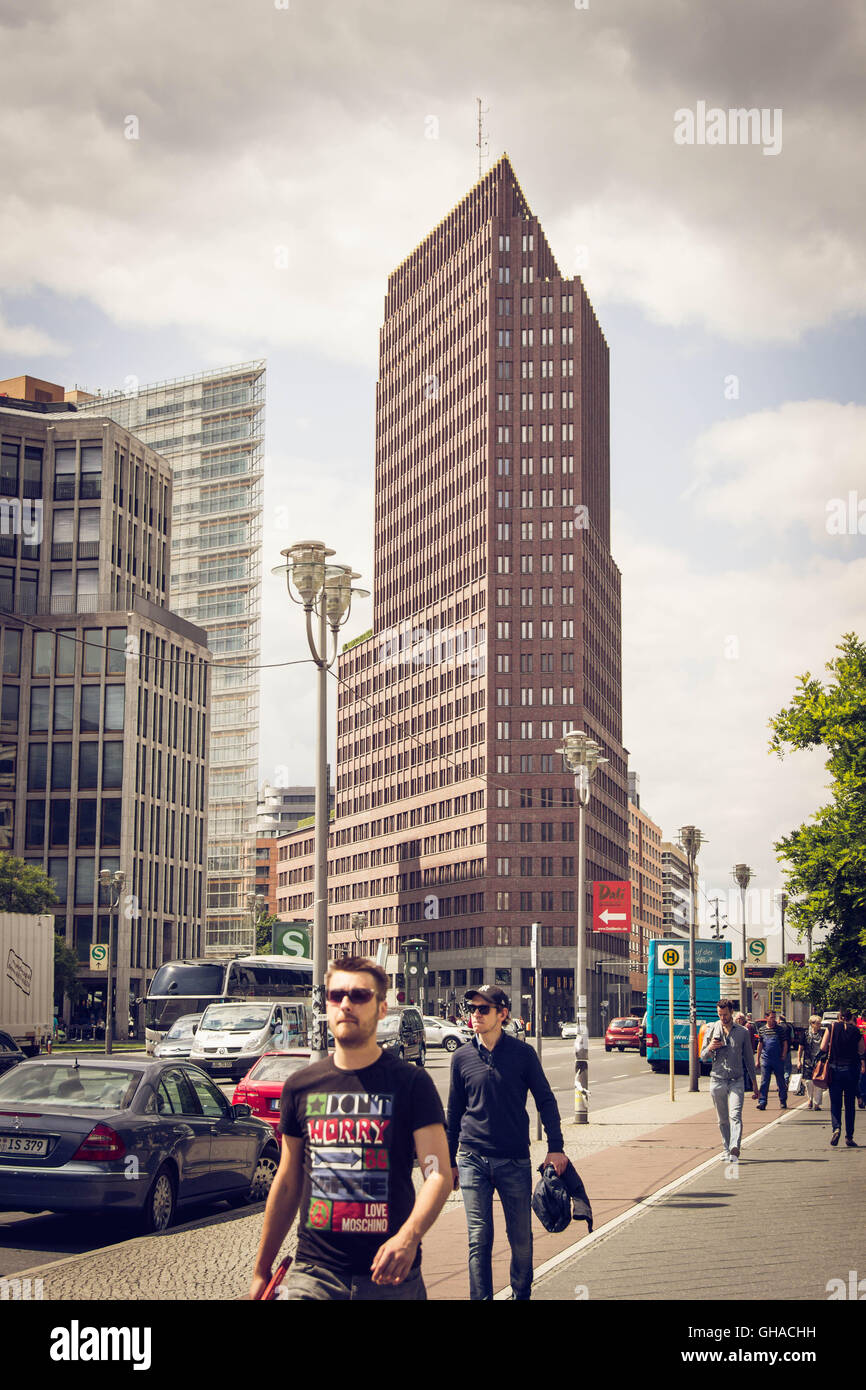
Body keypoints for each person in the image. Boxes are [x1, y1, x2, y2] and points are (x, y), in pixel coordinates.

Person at [248, 956, 451, 1300]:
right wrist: (260, 1270)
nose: (345, 1004)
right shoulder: (300, 1086)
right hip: (314, 1274)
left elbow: (438, 1174)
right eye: (336, 995)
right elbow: (287, 1181)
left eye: (359, 995)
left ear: (382, 1008)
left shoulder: (412, 1083)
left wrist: (409, 1237)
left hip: (392, 1277)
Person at [447, 984, 567, 1301]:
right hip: (472, 1159)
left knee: (521, 1239)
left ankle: (521, 1295)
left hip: (513, 1160)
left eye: (483, 1009)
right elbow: (454, 1112)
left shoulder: (523, 1055)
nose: (475, 1014)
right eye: (471, 1009)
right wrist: (449, 1161)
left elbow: (545, 1100)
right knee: (478, 1238)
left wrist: (556, 1147)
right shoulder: (461, 1057)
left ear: (502, 1014)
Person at [700, 999, 758, 1161]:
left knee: (735, 1115)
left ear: (731, 1012)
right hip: (717, 1080)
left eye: (725, 1014)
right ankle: (726, 1149)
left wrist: (755, 1083)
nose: (723, 1018)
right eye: (720, 1014)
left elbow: (749, 1059)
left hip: (736, 1080)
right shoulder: (712, 1029)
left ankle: (734, 1147)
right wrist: (710, 1047)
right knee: (723, 1120)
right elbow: (703, 1056)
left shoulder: (742, 1032)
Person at [821, 1008, 866, 1148]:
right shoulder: (855, 1031)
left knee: (835, 1103)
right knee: (849, 1105)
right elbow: (862, 1050)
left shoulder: (832, 1027)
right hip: (851, 1071)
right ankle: (849, 1136)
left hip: (835, 1070)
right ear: (851, 1018)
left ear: (839, 1017)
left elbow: (823, 1047)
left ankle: (836, 1128)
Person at [755, 1010, 788, 1110]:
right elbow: (760, 1045)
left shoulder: (780, 1029)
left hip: (778, 1059)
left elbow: (785, 1043)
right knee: (764, 1081)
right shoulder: (762, 1030)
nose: (774, 1019)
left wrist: (783, 1055)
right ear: (767, 1018)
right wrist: (757, 1059)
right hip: (766, 1059)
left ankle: (783, 1101)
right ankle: (762, 1102)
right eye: (772, 1017)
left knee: (781, 1081)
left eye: (774, 1017)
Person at [798, 1015, 825, 1111]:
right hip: (808, 1061)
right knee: (809, 1082)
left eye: (820, 1023)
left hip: (820, 1061)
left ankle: (816, 1103)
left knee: (818, 1081)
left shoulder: (823, 1033)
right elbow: (800, 1048)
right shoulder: (805, 1034)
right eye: (818, 1023)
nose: (819, 1025)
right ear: (812, 1024)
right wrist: (799, 1060)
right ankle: (810, 1099)